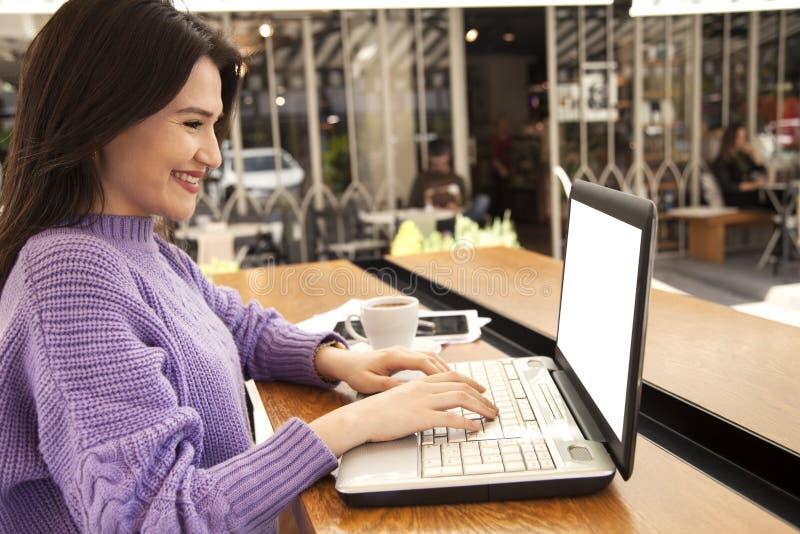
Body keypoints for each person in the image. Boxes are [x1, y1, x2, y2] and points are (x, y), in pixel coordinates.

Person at [0, 1, 497, 532]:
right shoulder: (68, 275)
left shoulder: (144, 251)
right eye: (193, 123)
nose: (212, 155)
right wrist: (356, 423)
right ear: (100, 116)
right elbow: (155, 520)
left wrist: (339, 362)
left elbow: (235, 328)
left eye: (213, 126)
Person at [712, 123, 769, 208]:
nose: (742, 141)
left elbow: (762, 173)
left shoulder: (743, 158)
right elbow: (728, 186)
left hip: (750, 195)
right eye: (739, 137)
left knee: (776, 199)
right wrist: (753, 185)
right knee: (770, 202)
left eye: (744, 137)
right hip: (735, 199)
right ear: (731, 138)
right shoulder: (722, 161)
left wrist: (754, 152)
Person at [408, 139, 467, 212]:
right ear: (430, 159)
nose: (439, 167)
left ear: (448, 158)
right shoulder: (421, 179)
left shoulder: (457, 179)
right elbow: (411, 207)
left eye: (442, 164)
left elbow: (464, 205)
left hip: (451, 219)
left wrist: (457, 207)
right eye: (435, 165)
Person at [489, 115, 513, 217]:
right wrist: (501, 169)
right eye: (503, 123)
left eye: (506, 123)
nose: (505, 126)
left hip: (509, 170)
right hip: (498, 172)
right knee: (499, 196)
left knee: (507, 196)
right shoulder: (494, 139)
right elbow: (494, 157)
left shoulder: (509, 138)